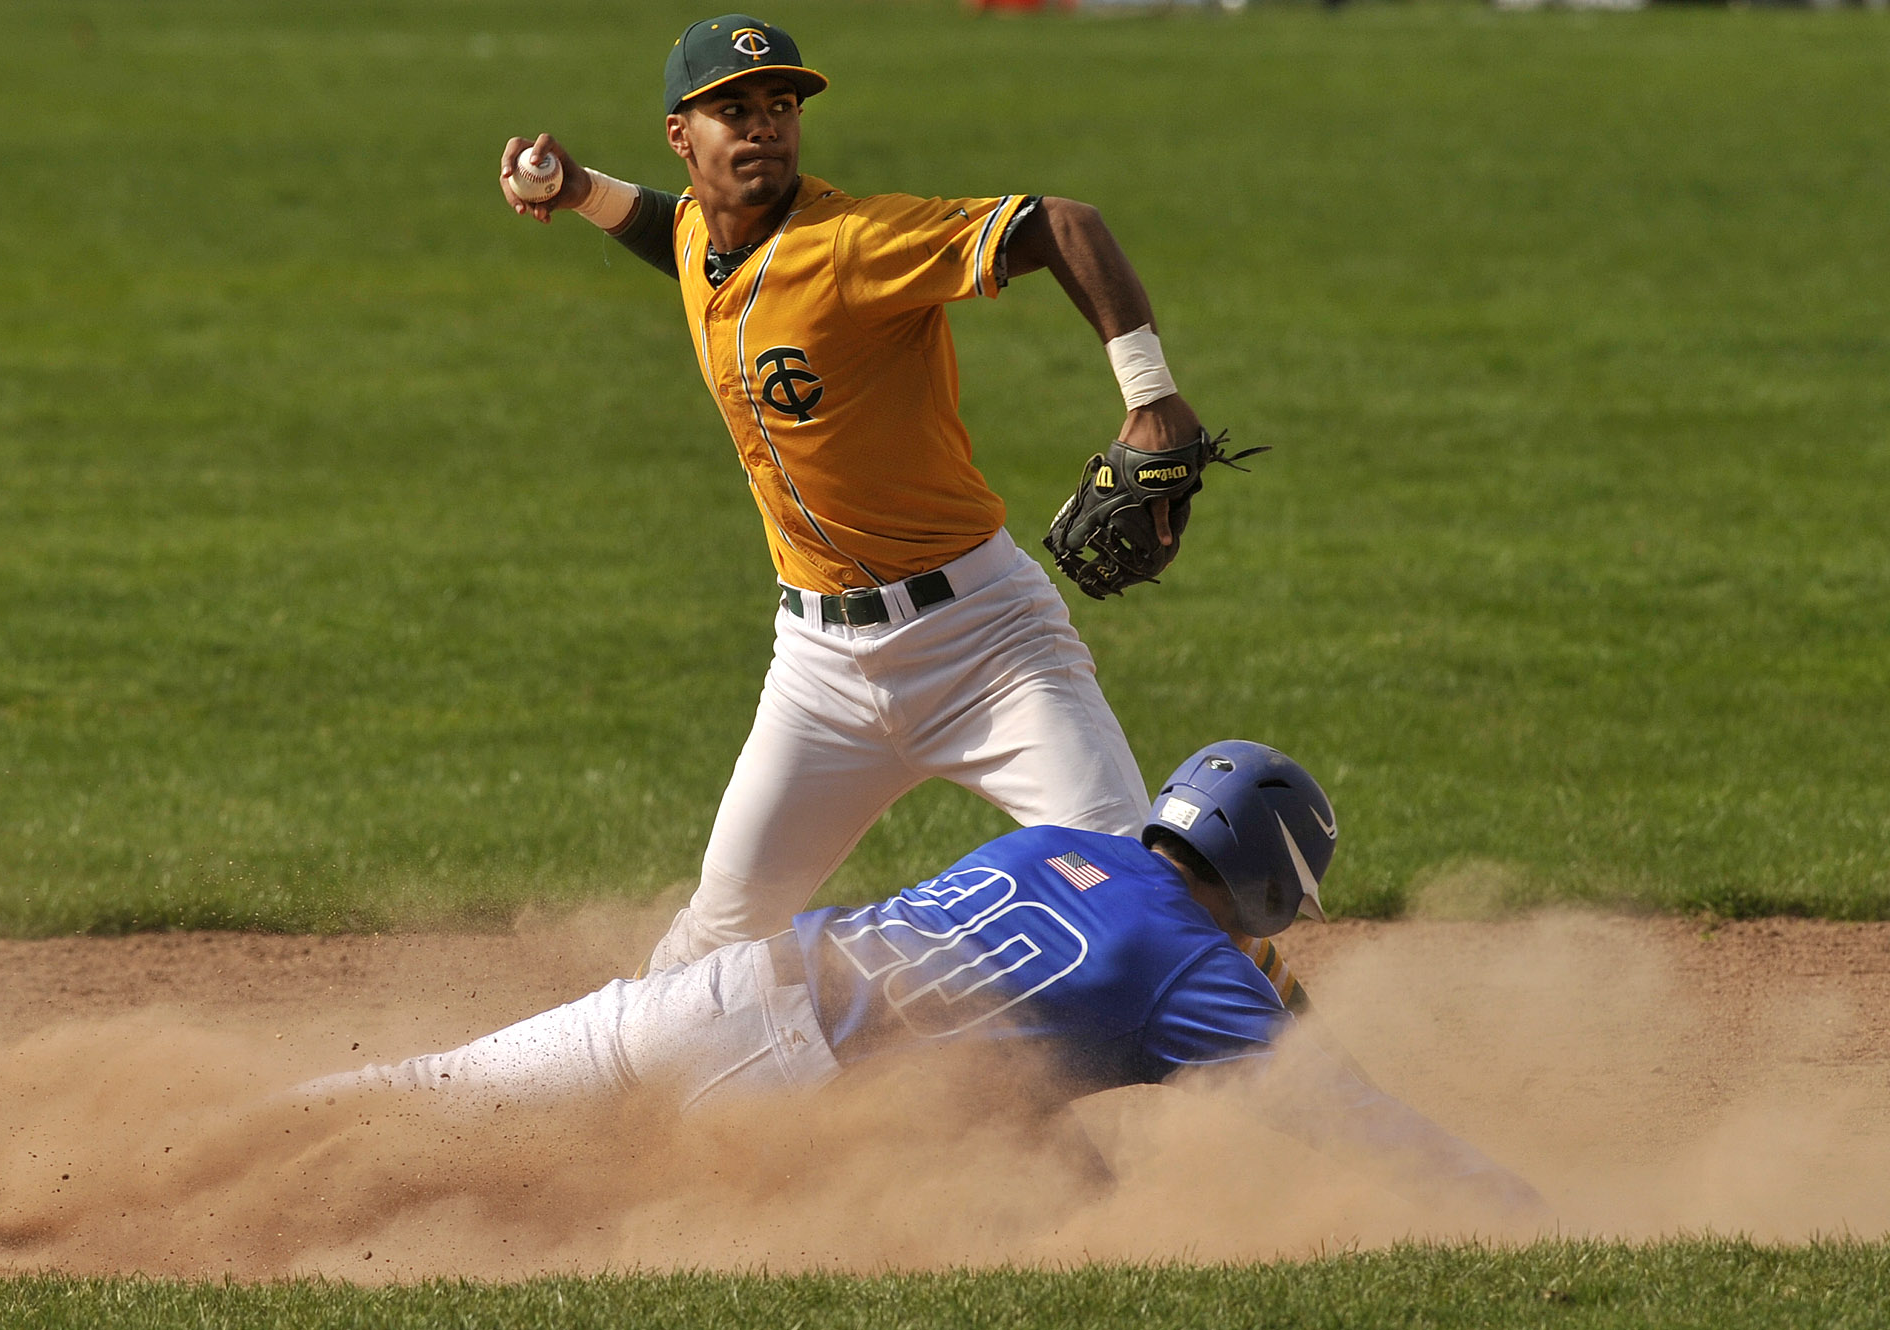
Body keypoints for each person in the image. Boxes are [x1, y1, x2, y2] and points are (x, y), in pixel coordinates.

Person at [499, 15, 1252, 976]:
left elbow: (1065, 224)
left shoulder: (852, 242)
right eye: (734, 111)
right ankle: (617, 1106)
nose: (764, 127)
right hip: (819, 670)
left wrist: (1150, 396)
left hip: (986, 646)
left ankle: (1288, 1085)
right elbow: (674, 230)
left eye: (780, 106)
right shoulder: (703, 239)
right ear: (683, 138)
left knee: (1138, 899)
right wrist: (573, 191)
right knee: (712, 948)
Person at [301, 742, 1547, 1220]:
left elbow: (1022, 1047)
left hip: (722, 990)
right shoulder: (1191, 971)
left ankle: (193, 1153)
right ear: (1272, 885)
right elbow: (1349, 1118)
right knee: (1053, 1214)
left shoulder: (1044, 845)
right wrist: (1510, 1208)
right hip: (794, 1084)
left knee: (433, 1095)